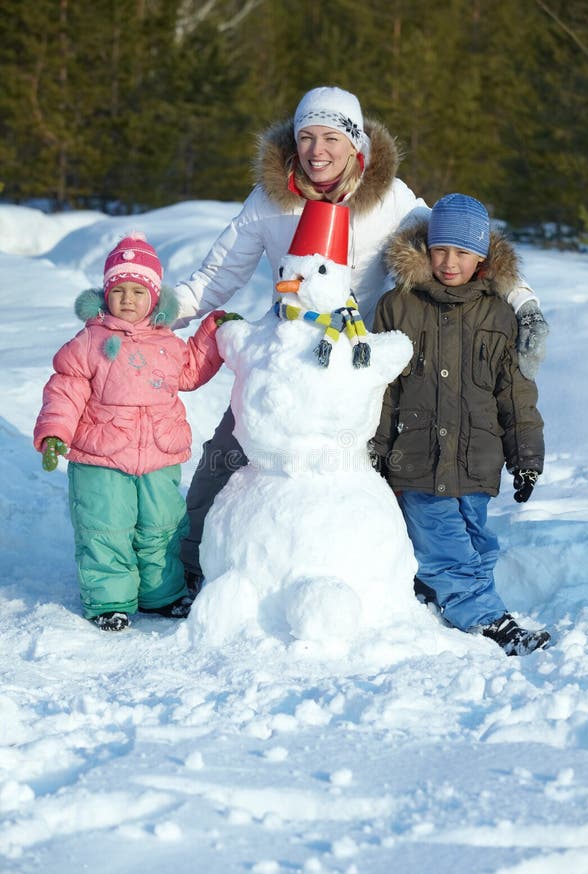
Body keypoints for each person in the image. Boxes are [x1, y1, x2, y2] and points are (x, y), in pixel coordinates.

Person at [175, 86, 549, 591]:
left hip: (358, 366)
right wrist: (150, 313)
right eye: (306, 137)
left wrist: (523, 303)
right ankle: (190, 569)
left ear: (356, 146)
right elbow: (215, 278)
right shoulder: (270, 201)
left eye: (331, 137)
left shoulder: (390, 199)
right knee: (227, 452)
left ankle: (394, 575)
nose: (317, 151)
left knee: (381, 467)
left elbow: (461, 245)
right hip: (286, 358)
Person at [371, 193, 550, 656]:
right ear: (426, 248)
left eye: (463, 253)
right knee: (447, 545)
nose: (450, 262)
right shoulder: (398, 306)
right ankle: (489, 619)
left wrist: (526, 457)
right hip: (416, 459)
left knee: (477, 541)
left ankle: (445, 593)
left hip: (477, 459)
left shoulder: (498, 314)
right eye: (440, 249)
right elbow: (382, 389)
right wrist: (374, 445)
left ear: (482, 258)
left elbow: (515, 393)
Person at [33, 232, 233, 631]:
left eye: (138, 291)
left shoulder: (167, 342)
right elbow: (66, 388)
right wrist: (56, 431)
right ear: (105, 294)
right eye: (119, 289)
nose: (128, 299)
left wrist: (211, 331)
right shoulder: (90, 341)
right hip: (101, 456)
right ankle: (110, 601)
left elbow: (191, 371)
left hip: (158, 454)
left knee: (162, 526)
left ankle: (161, 594)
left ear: (155, 298)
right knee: (106, 527)